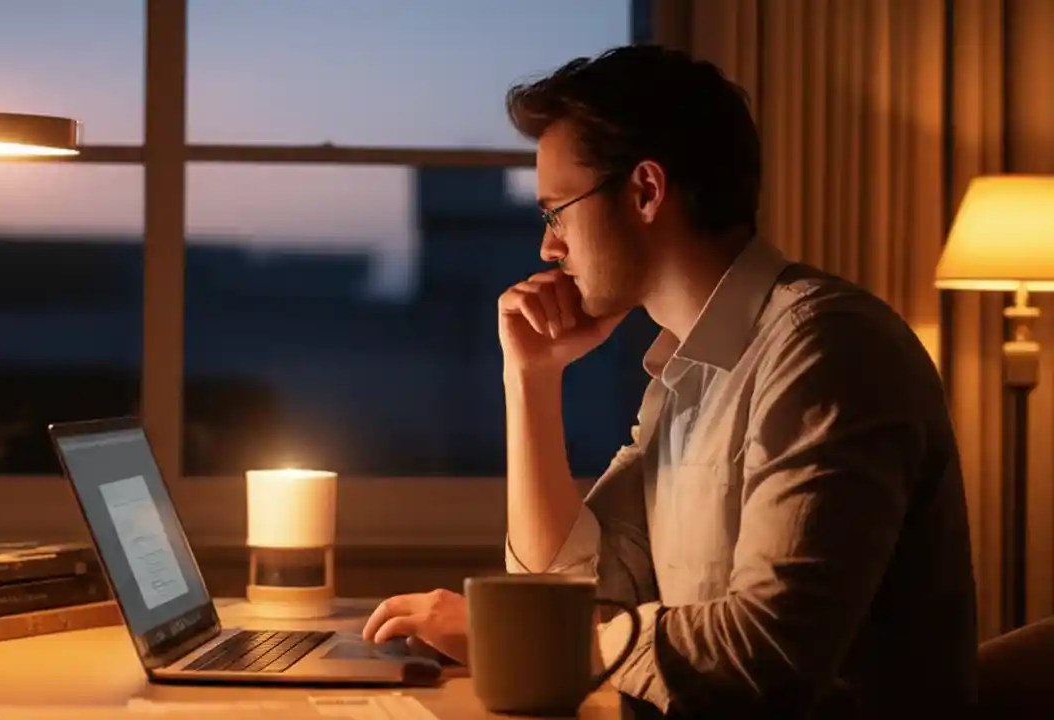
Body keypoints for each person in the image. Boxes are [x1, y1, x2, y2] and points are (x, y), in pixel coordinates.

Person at [361, 45, 978, 717]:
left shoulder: (828, 351)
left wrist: (522, 638)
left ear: (647, 192)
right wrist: (531, 380)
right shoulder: (684, 378)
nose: (548, 247)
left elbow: (767, 651)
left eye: (556, 211)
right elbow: (580, 594)